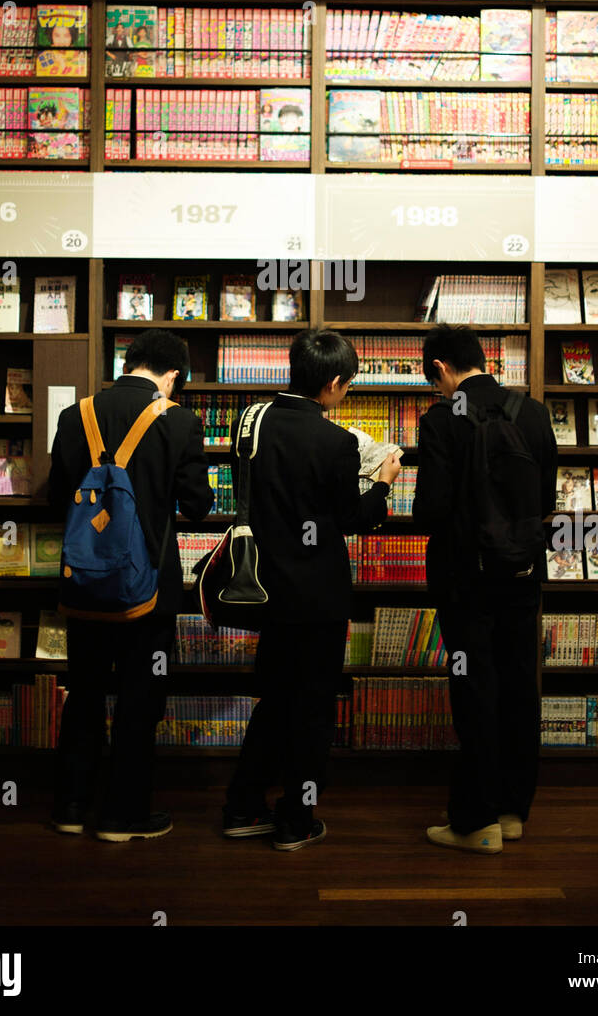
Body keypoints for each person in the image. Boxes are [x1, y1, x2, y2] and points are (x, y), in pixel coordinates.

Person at [223, 329, 401, 851]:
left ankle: (243, 807)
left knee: (274, 701)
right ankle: (296, 820)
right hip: (319, 597)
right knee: (314, 709)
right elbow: (352, 520)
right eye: (346, 386)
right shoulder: (337, 442)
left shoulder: (251, 422)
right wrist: (385, 481)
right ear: (333, 383)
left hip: (263, 589)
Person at [47, 328, 213, 842]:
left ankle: (72, 807)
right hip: (149, 591)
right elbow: (197, 504)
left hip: (85, 585)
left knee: (85, 693)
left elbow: (58, 498)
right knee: (141, 700)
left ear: (129, 361)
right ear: (172, 376)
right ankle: (122, 816)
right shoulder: (181, 421)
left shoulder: (76, 415)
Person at [413, 324, 557, 855]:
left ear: (440, 370)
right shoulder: (533, 413)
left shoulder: (438, 421)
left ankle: (475, 823)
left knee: (476, 692)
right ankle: (512, 810)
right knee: (520, 686)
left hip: (464, 582)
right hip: (522, 575)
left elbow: (429, 510)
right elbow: (545, 498)